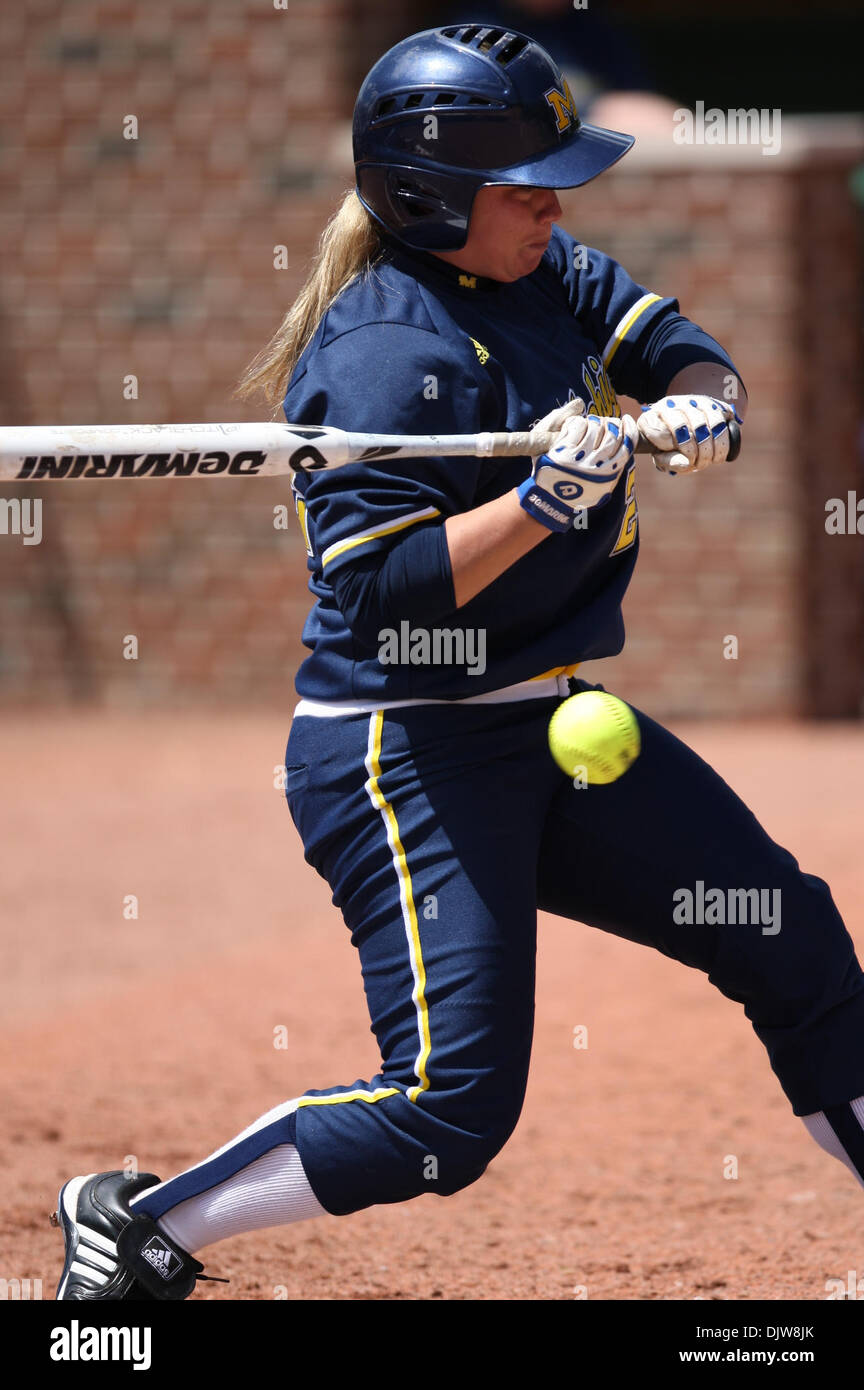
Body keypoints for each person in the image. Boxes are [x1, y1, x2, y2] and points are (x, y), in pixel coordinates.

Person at [53, 22, 864, 1302]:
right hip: (405, 749)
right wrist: (539, 501)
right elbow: (377, 593)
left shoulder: (546, 271)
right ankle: (141, 1228)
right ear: (430, 198)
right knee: (447, 1111)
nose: (555, 205)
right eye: (523, 186)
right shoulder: (383, 352)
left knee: (786, 930)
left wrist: (707, 401)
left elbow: (674, 345)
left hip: (549, 726)